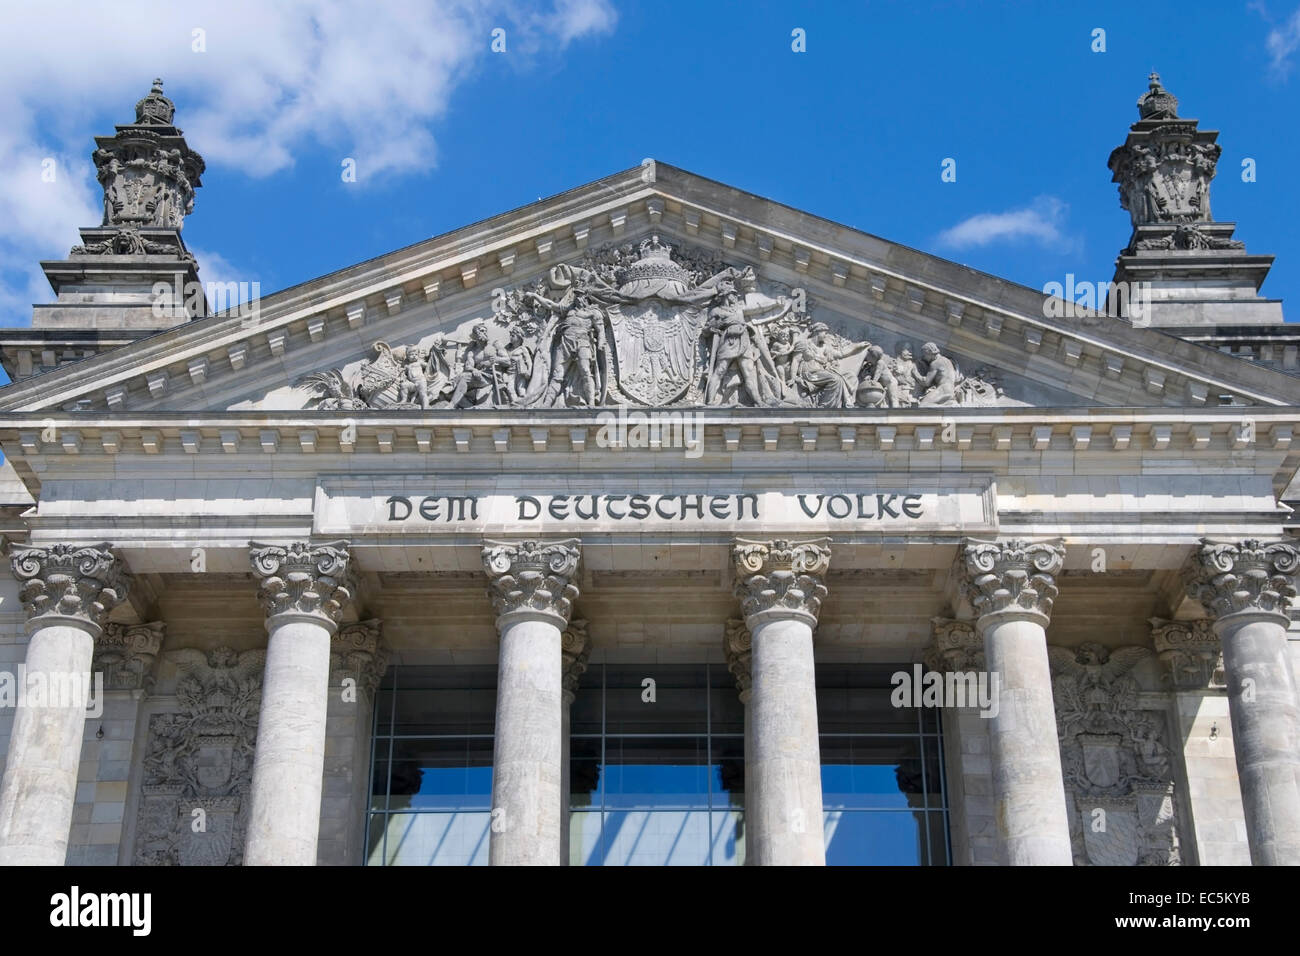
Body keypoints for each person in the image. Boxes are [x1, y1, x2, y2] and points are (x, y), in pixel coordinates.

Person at [790, 322, 870, 407]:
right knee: (835, 379)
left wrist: (858, 346)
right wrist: (793, 377)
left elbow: (841, 354)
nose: (826, 335)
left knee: (851, 376)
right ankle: (824, 406)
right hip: (810, 373)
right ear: (818, 331)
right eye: (825, 332)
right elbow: (796, 360)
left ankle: (840, 404)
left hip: (823, 373)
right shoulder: (804, 344)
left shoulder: (825, 348)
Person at [917, 341, 958, 406]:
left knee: (923, 405)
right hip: (951, 389)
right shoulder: (947, 360)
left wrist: (915, 372)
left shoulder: (935, 363)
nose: (924, 357)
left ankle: (947, 406)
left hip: (943, 389)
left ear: (930, 352)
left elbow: (926, 383)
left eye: (924, 354)